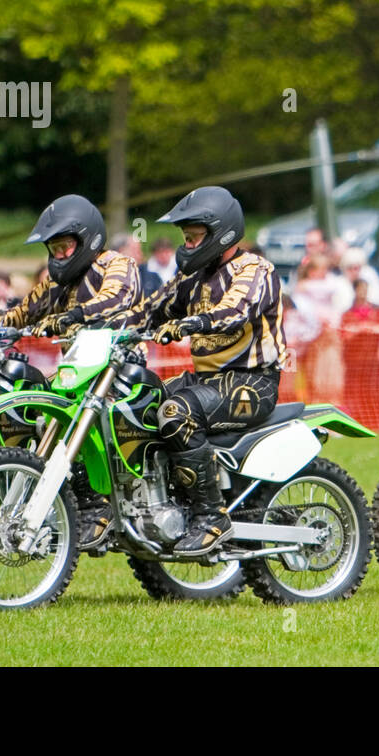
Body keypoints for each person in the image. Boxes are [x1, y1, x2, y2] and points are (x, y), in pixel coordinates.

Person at [109, 187, 285, 555]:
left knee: (175, 413)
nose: (186, 245)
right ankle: (155, 508)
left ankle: (211, 517)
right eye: (184, 238)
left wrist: (190, 324)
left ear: (221, 233)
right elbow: (151, 309)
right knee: (135, 404)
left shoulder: (255, 269)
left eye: (194, 237)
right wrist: (110, 327)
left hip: (251, 382)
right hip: (206, 380)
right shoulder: (192, 277)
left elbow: (237, 310)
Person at [0, 195, 142, 545]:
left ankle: (98, 506)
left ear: (87, 238)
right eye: (54, 248)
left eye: (65, 246)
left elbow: (115, 298)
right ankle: (79, 503)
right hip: (77, 378)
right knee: (34, 413)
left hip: (119, 374)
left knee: (64, 420)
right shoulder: (55, 282)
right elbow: (23, 311)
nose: (59, 255)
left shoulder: (116, 264)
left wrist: (73, 316)